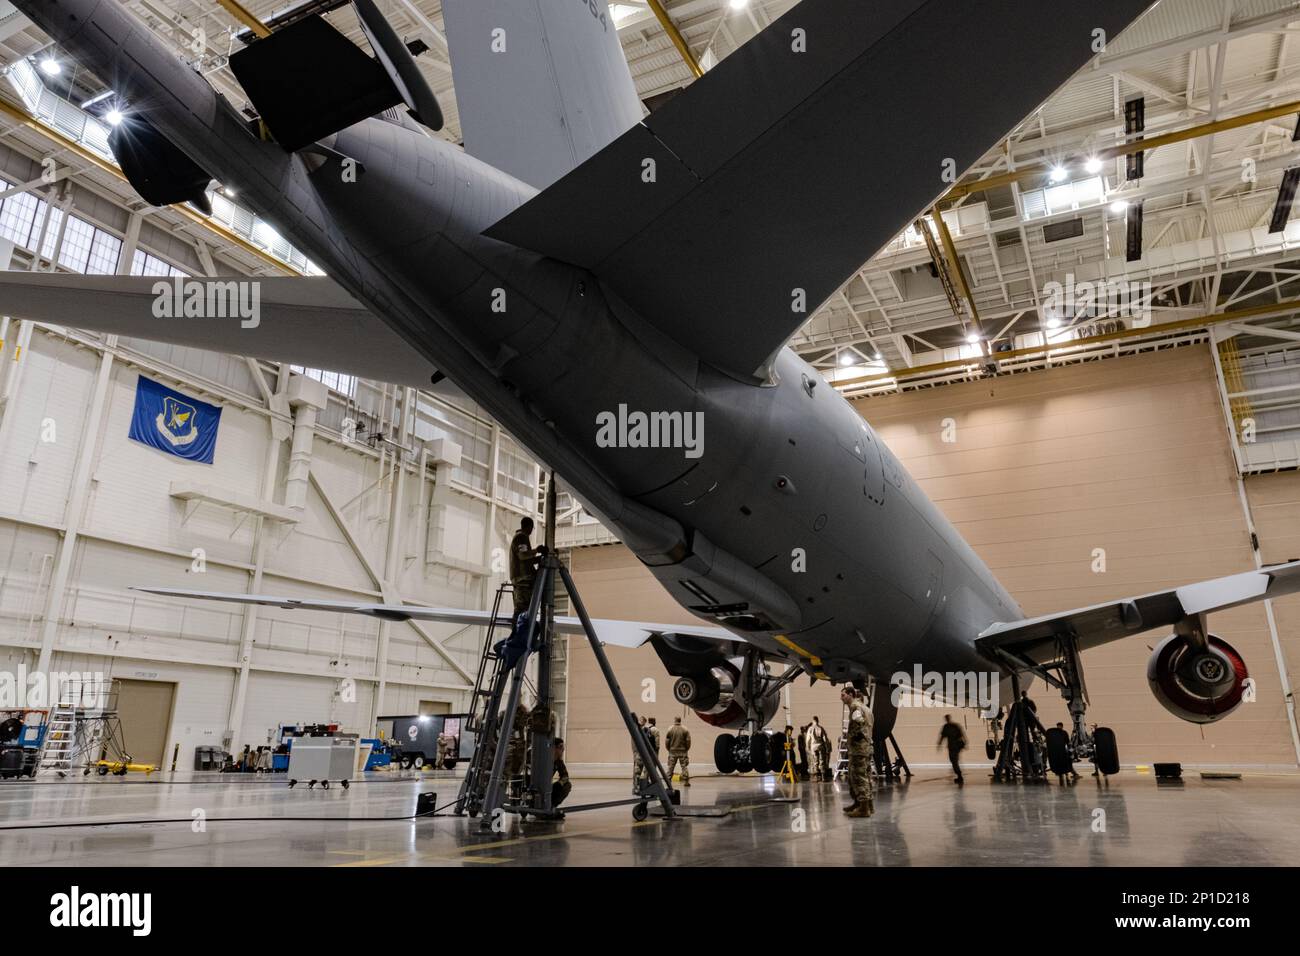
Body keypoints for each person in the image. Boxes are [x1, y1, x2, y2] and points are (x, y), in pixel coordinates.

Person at [841, 686, 874, 817]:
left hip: (858, 749)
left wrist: (851, 737)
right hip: (865, 747)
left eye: (843, 695)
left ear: (850, 694)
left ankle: (863, 809)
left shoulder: (855, 707)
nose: (841, 698)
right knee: (865, 777)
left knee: (858, 777)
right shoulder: (866, 708)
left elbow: (858, 725)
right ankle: (865, 805)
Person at [509, 517, 545, 617]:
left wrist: (542, 557)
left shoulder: (521, 538)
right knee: (522, 610)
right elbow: (523, 555)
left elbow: (528, 560)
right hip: (523, 579)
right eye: (532, 528)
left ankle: (520, 630)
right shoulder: (521, 537)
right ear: (529, 527)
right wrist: (537, 550)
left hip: (522, 580)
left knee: (524, 609)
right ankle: (518, 631)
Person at [937, 713, 967, 784]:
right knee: (954, 761)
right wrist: (965, 742)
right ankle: (959, 775)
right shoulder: (955, 725)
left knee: (954, 761)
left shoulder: (946, 727)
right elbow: (962, 734)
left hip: (953, 746)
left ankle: (959, 776)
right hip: (956, 746)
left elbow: (942, 737)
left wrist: (939, 744)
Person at [665, 716, 691, 786]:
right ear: (680, 720)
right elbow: (688, 741)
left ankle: (668, 781)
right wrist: (686, 749)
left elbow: (667, 741)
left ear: (675, 720)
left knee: (670, 767)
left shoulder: (670, 729)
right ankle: (686, 781)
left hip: (672, 751)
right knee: (684, 766)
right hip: (682, 751)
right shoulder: (685, 729)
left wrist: (669, 749)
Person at [807, 715, 831, 780]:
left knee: (815, 761)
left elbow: (808, 739)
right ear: (818, 721)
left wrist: (807, 747)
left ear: (813, 721)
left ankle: (816, 777)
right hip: (821, 746)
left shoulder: (810, 729)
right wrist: (827, 747)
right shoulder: (821, 728)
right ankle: (823, 777)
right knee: (822, 761)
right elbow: (825, 739)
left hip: (813, 747)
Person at [551, 738, 572, 809]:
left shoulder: (558, 762)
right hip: (535, 788)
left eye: (563, 747)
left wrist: (560, 783)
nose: (563, 750)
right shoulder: (543, 758)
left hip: (547, 787)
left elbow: (565, 776)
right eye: (560, 747)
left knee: (567, 785)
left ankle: (551, 806)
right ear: (554, 748)